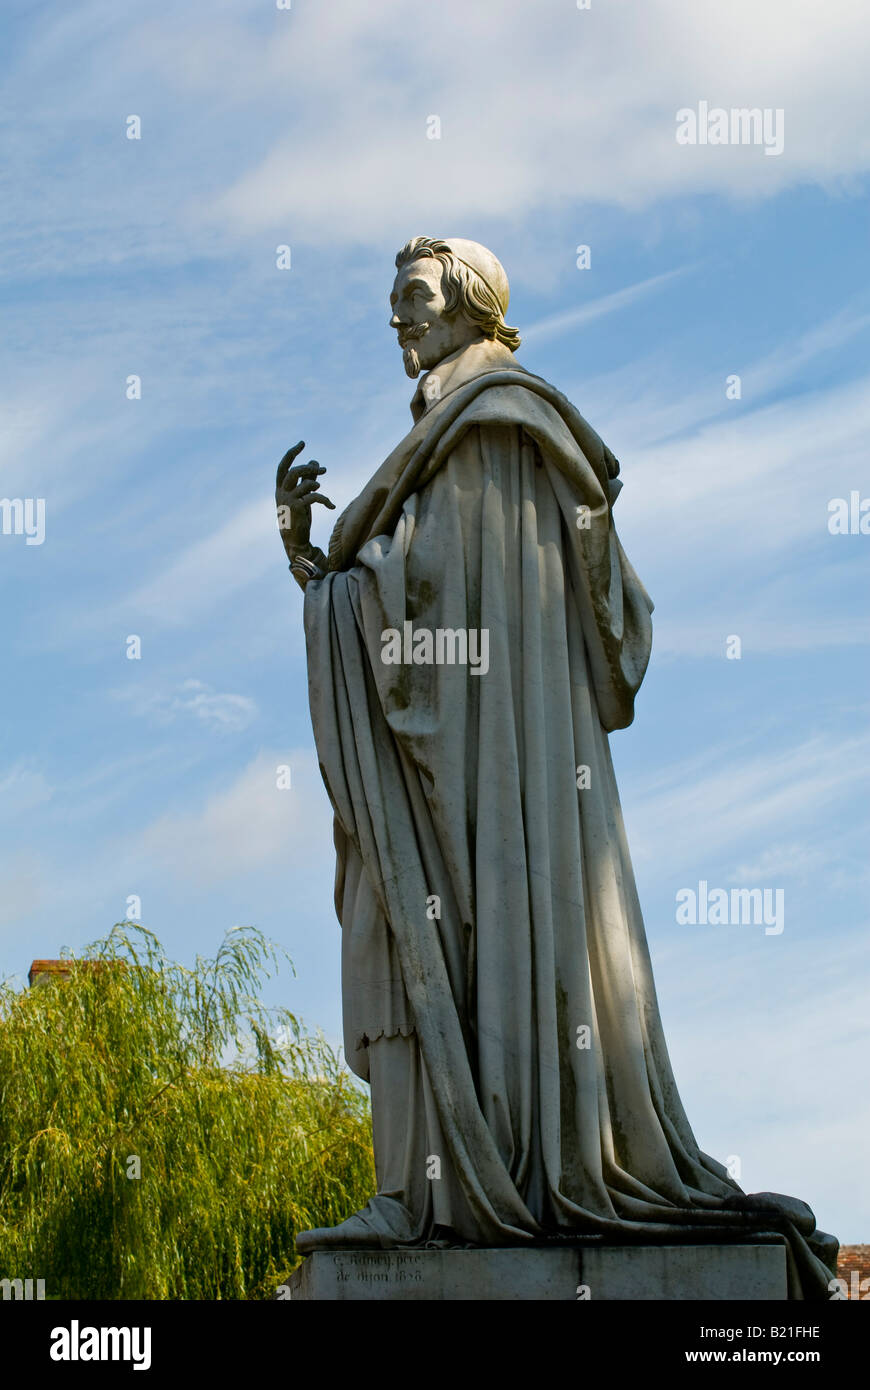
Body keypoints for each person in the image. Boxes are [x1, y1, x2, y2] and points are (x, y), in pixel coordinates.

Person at [276, 237, 838, 1298]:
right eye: (392, 303)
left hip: (492, 771)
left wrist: (337, 591)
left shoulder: (490, 426)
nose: (396, 319)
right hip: (507, 766)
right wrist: (333, 573)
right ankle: (449, 1178)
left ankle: (469, 1183)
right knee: (415, 936)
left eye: (413, 299)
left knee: (425, 929)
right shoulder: (495, 433)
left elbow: (438, 609)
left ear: (472, 307)